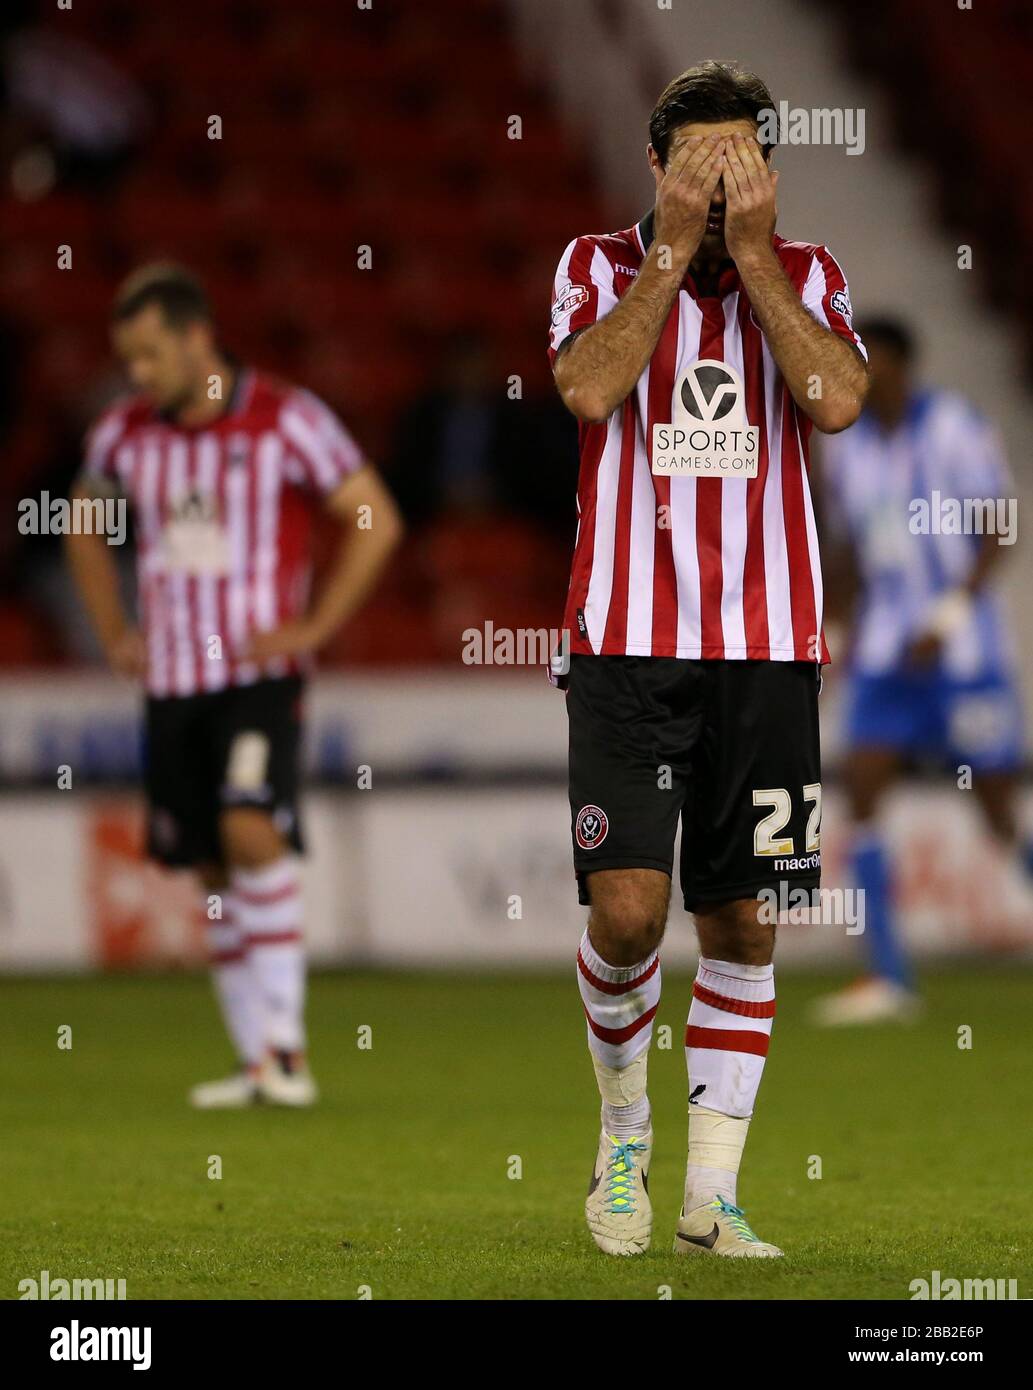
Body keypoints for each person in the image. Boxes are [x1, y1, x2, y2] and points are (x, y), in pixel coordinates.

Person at [548, 61, 868, 1257]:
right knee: (628, 917)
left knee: (742, 924)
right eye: (700, 162)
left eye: (742, 160)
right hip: (628, 644)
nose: (722, 182)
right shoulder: (594, 266)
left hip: (768, 651)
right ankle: (623, 1136)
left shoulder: (815, 274)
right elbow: (586, 387)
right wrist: (674, 250)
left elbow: (833, 399)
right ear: (657, 167)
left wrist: (764, 261)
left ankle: (712, 1195)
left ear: (771, 169)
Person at [66, 263, 403, 1106]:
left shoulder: (288, 418)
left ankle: (287, 1051)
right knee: (210, 865)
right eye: (127, 360)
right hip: (172, 680)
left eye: (149, 356)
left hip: (257, 671)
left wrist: (315, 628)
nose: (138, 375)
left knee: (250, 828)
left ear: (195, 338)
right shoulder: (121, 434)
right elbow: (81, 521)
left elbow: (374, 517)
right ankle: (257, 1058)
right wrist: (113, 628)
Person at [813, 318, 1028, 1025]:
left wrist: (945, 619)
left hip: (962, 656)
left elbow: (999, 527)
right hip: (883, 656)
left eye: (871, 363)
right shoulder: (840, 442)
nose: (862, 376)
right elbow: (844, 548)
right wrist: (836, 625)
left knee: (995, 806)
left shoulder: (953, 428)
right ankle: (888, 977)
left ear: (901, 365)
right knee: (863, 792)